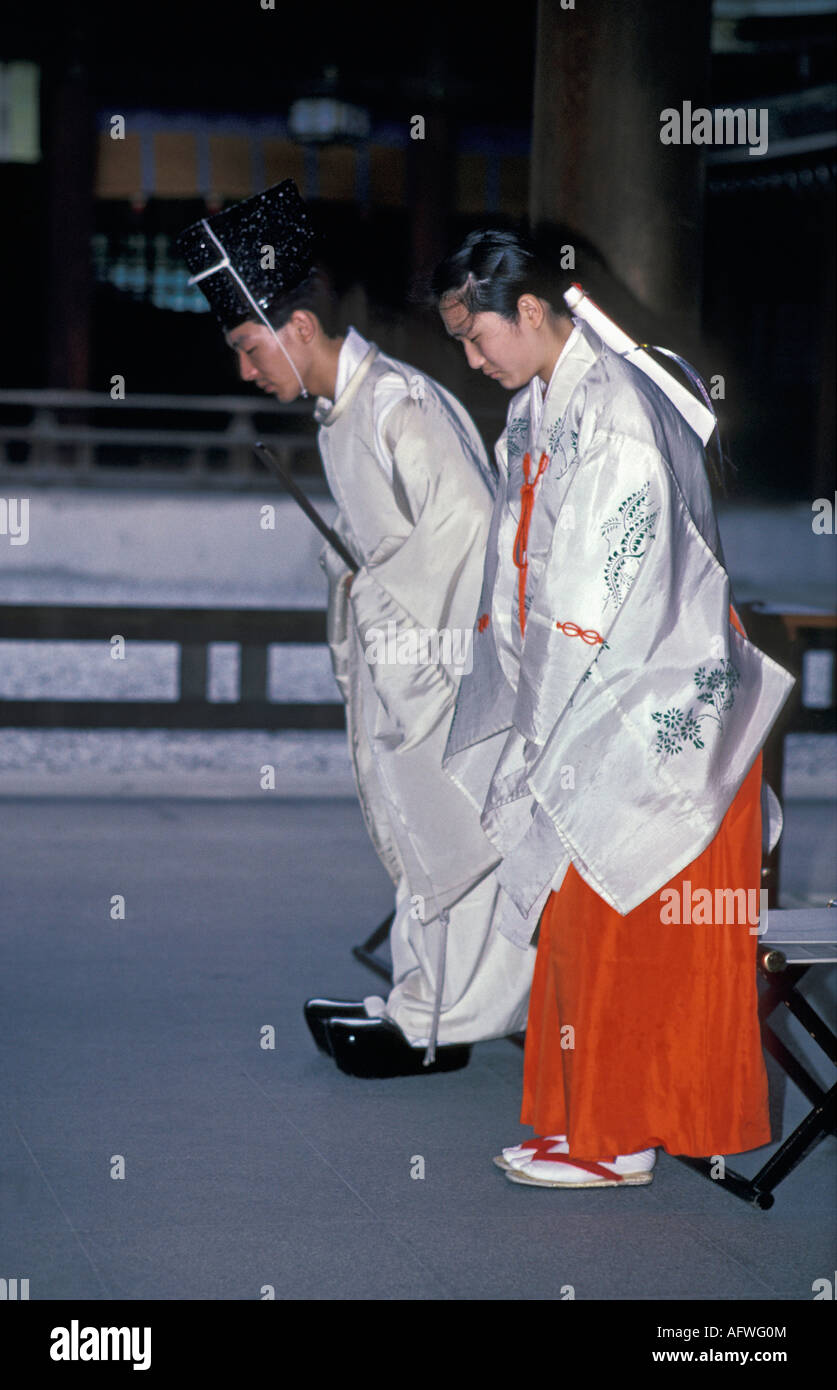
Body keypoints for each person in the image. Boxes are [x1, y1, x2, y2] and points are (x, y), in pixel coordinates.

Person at [433, 228, 794, 1185]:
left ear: (532, 312)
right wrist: (520, 704)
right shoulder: (540, 405)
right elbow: (520, 570)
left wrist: (539, 727)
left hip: (651, 704)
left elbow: (588, 599)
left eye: (477, 339)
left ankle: (620, 1135)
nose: (472, 361)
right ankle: (578, 1117)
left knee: (623, 925)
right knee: (575, 923)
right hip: (593, 691)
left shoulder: (617, 409)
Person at [176, 184, 535, 1078]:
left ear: (297, 328)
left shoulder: (397, 408)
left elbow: (464, 538)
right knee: (417, 840)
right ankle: (421, 1002)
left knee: (451, 840)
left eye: (249, 348)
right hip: (399, 657)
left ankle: (438, 1020)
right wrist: (356, 584)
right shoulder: (345, 413)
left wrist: (374, 600)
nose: (246, 371)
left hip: (442, 668)